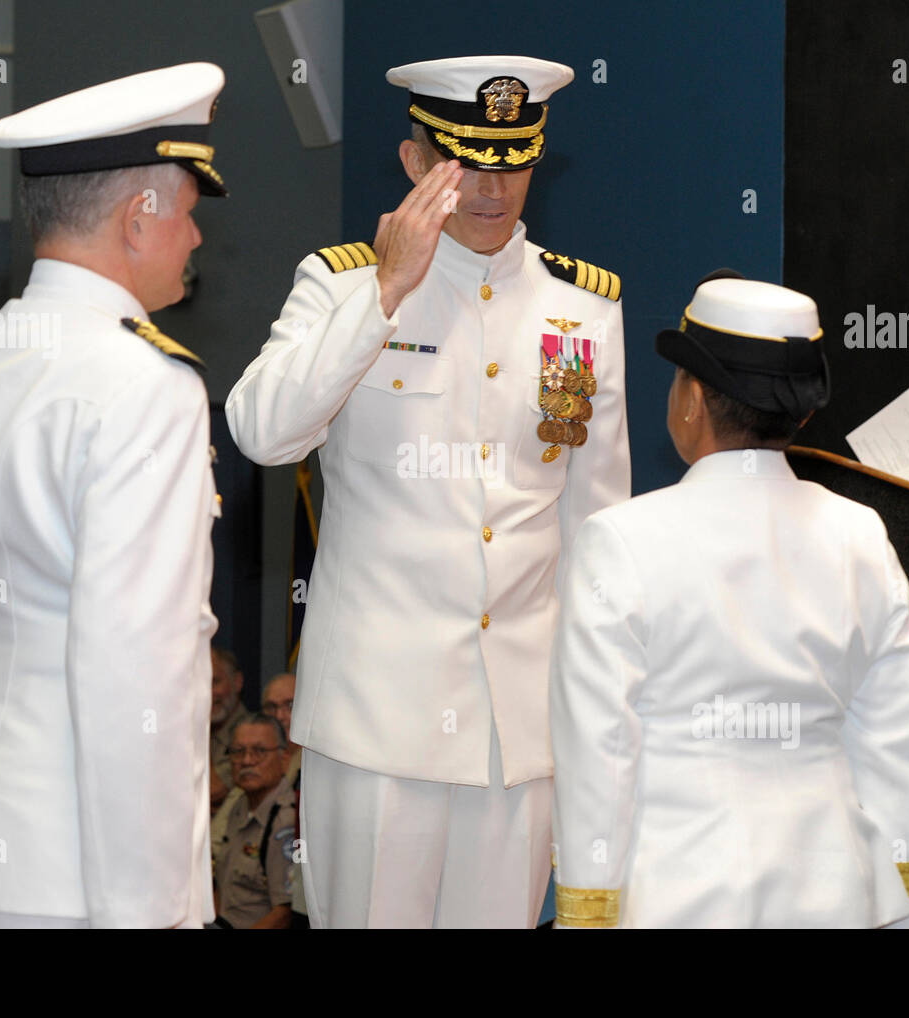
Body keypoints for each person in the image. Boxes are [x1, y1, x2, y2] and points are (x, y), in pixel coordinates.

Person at [226, 55, 630, 928]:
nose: (493, 188)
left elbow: (598, 525)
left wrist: (598, 708)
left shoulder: (584, 307)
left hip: (516, 728)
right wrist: (384, 290)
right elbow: (262, 431)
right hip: (378, 721)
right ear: (415, 164)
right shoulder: (341, 283)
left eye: (514, 163)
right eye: (467, 164)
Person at [0, 63, 228, 929]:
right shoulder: (147, 386)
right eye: (185, 212)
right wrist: (145, 909)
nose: (194, 239)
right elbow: (133, 670)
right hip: (82, 881)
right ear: (137, 217)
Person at [550, 273, 909, 928]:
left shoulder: (621, 540)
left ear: (693, 399)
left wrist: (587, 911)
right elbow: (900, 745)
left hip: (676, 898)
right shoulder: (859, 535)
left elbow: (598, 754)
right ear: (803, 412)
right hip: (835, 896)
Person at [212, 716, 298, 929]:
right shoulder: (239, 804)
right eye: (238, 751)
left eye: (259, 751)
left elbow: (285, 914)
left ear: (284, 758)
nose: (247, 760)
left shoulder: (285, 820)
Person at [210, 646, 251, 811]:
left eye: (214, 682)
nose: (207, 693)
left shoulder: (253, 733)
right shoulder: (192, 734)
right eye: (199, 683)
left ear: (237, 682)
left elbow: (211, 790)